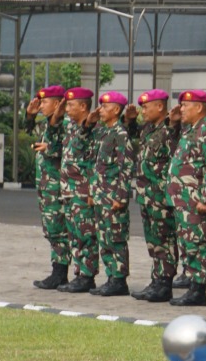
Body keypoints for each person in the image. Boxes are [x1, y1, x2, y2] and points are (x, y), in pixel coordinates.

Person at [168, 89, 206, 307]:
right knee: (187, 243)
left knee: (197, 243)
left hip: (195, 200)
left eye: (186, 106)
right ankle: (191, 285)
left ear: (199, 107)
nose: (181, 109)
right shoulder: (190, 131)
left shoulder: (205, 132)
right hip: (183, 200)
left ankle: (199, 289)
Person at [130, 89, 180, 303]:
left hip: (160, 196)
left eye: (146, 107)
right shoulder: (148, 129)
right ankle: (157, 279)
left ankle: (165, 283)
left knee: (165, 239)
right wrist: (131, 120)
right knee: (153, 240)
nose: (143, 111)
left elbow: (176, 132)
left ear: (160, 106)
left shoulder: (170, 127)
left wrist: (175, 122)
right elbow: (132, 133)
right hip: (146, 195)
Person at [89, 91, 134, 297]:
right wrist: (93, 191)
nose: (101, 110)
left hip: (113, 195)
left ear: (116, 110)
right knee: (104, 237)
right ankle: (110, 276)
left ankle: (119, 279)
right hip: (101, 194)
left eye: (105, 107)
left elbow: (126, 166)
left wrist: (121, 196)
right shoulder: (102, 132)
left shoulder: (121, 134)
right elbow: (96, 166)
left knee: (116, 238)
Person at [56, 86, 98, 294]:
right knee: (74, 233)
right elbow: (52, 124)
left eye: (71, 104)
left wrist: (91, 191)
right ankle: (79, 273)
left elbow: (92, 162)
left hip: (82, 190)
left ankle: (87, 276)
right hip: (69, 190)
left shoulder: (92, 128)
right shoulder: (70, 125)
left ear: (83, 106)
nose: (68, 108)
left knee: (86, 234)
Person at [28, 85, 70, 289]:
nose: (41, 106)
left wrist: (50, 148)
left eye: (45, 102)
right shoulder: (47, 123)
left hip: (58, 185)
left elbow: (72, 149)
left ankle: (60, 272)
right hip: (46, 184)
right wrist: (29, 116)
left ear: (57, 103)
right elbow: (29, 130)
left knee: (59, 229)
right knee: (51, 229)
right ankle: (58, 269)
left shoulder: (67, 123)